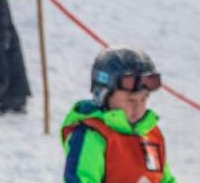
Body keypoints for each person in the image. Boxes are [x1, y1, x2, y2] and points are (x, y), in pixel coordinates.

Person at [61, 47, 176, 183]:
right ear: (103, 96)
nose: (137, 107)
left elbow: (164, 179)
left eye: (144, 99)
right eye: (130, 100)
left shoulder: (150, 135)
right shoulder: (93, 137)